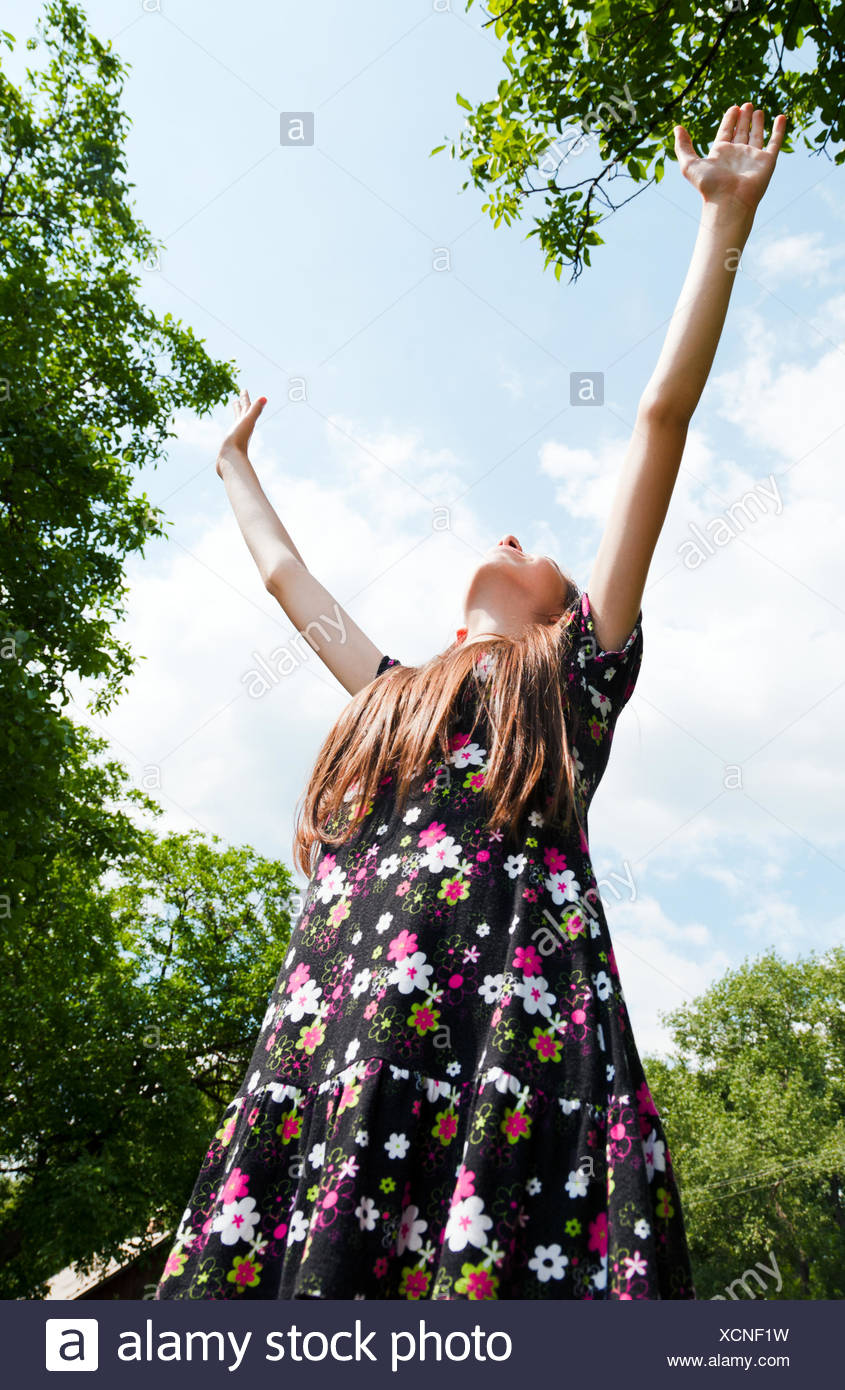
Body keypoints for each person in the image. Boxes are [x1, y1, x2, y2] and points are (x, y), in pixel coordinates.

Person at [155, 102, 787, 1301]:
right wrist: (234, 467)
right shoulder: (393, 693)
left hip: (508, 1029)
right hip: (347, 1024)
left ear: (565, 608)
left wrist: (722, 223)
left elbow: (658, 421)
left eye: (535, 545)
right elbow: (289, 580)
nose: (509, 534)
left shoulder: (572, 676)